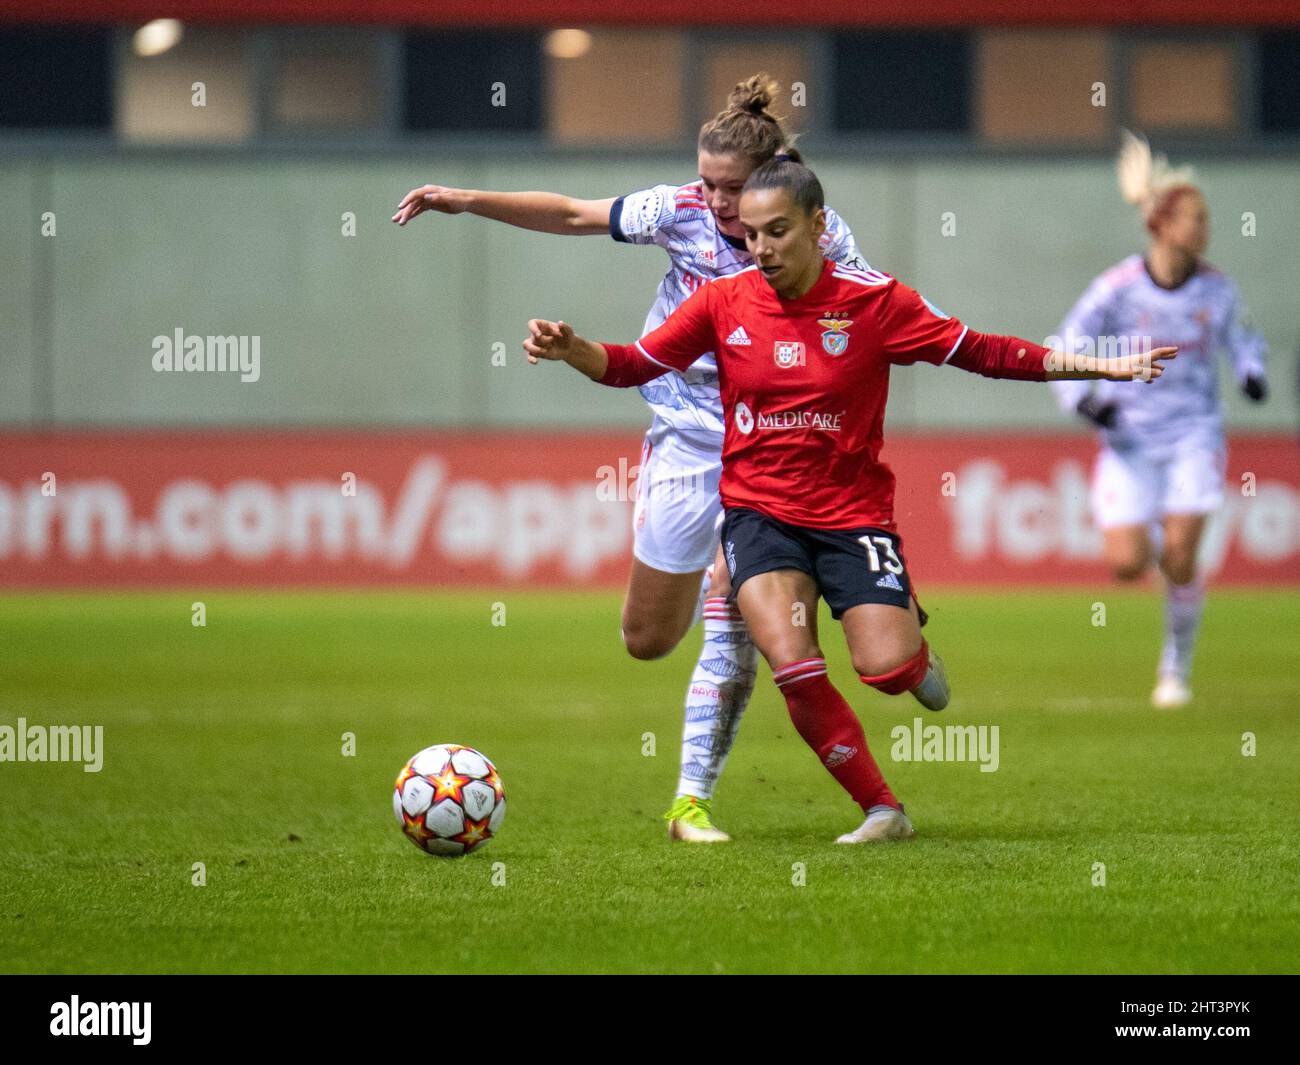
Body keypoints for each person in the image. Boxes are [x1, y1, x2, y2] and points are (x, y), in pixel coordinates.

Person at [523, 159, 1176, 841]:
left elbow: (983, 351)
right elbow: (634, 364)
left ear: (818, 226)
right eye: (750, 235)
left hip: (851, 516)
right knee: (793, 663)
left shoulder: (876, 303)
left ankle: (914, 652)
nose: (761, 249)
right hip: (757, 514)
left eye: (777, 232)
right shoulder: (724, 301)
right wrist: (575, 350)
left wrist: (1104, 364)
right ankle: (883, 809)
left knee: (886, 668)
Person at [393, 76, 871, 842]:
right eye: (709, 182)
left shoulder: (822, 237)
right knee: (647, 638)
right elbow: (577, 213)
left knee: (733, 606)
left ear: (777, 180)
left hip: (776, 449)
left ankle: (690, 803)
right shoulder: (676, 210)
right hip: (684, 442)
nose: (716, 201)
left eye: (733, 187)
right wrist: (466, 198)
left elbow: (865, 321)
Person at [1051, 131, 1268, 709]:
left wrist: (1251, 371)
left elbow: (1245, 341)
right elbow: (1067, 342)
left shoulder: (1218, 289)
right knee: (1126, 565)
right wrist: (1082, 399)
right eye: (1194, 218)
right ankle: (1152, 525)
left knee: (1179, 558)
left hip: (1194, 436)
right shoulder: (1118, 287)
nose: (1204, 228)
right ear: (1163, 224)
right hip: (1128, 441)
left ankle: (1175, 667)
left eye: (1206, 218)